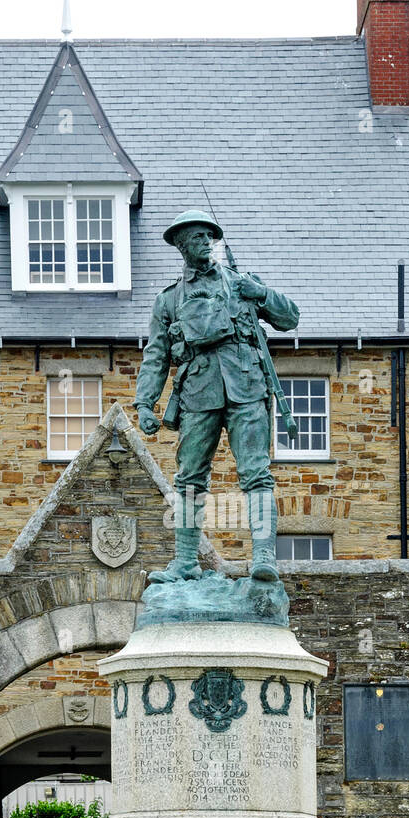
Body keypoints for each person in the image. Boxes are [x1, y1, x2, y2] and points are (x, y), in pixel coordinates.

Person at [135, 209, 299, 583]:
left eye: (210, 236)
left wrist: (264, 294)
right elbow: (157, 355)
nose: (206, 242)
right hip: (197, 391)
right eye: (197, 237)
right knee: (189, 478)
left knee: (256, 474)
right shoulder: (169, 300)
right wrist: (145, 403)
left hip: (246, 386)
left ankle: (264, 557)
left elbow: (290, 318)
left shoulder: (242, 283)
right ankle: (186, 562)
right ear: (181, 245)